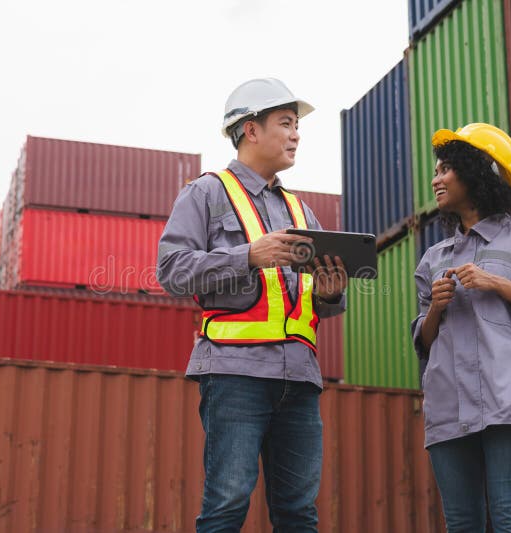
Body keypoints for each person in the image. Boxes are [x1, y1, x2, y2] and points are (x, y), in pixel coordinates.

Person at [157, 78, 347, 532]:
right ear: (250, 130)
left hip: (300, 379)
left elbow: (312, 306)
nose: (296, 134)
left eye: (297, 126)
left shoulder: (303, 212)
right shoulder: (205, 193)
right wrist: (248, 255)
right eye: (286, 123)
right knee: (227, 503)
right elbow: (171, 271)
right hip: (234, 373)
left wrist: (330, 291)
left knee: (299, 512)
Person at [411, 123, 511, 533]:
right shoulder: (434, 257)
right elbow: (424, 343)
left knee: (510, 519)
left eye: (446, 168)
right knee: (461, 525)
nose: (436, 179)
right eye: (436, 170)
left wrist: (498, 283)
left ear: (480, 170)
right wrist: (435, 308)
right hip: (449, 408)